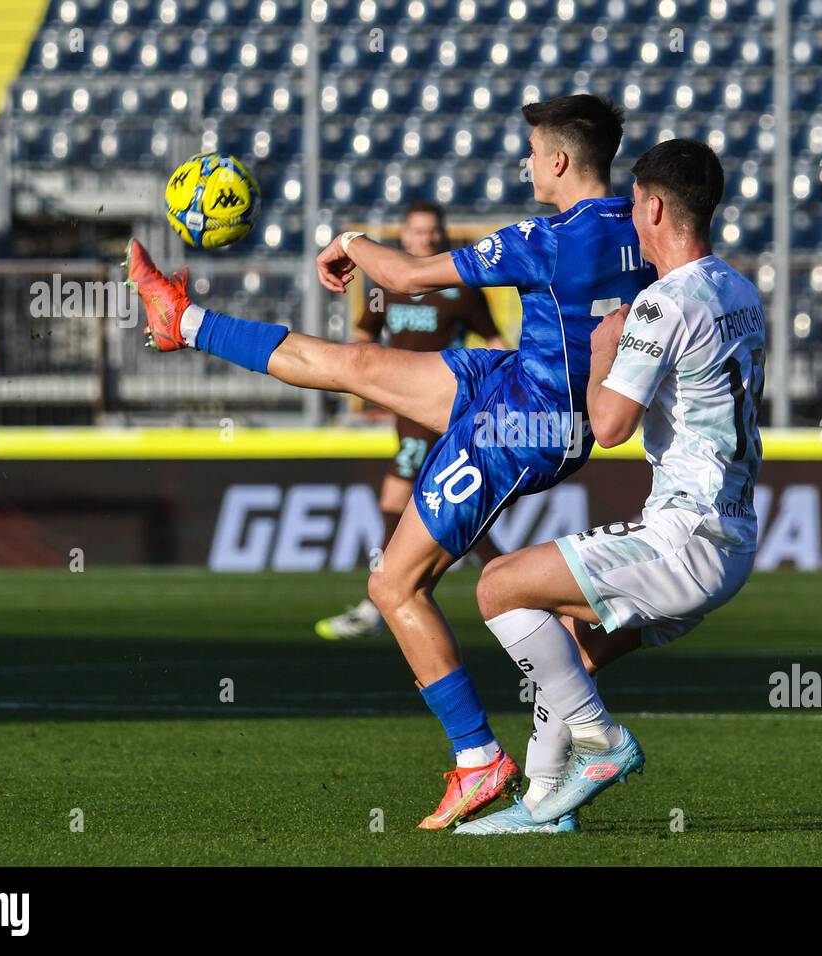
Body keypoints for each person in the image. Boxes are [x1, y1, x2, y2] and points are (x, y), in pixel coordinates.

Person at [123, 93, 656, 828]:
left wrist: (350, 240)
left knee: (393, 586)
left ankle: (478, 757)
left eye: (533, 153)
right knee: (358, 365)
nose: (526, 163)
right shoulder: (640, 227)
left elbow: (405, 278)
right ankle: (182, 320)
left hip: (518, 425)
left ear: (560, 161)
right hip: (524, 386)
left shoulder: (548, 237)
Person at [455, 139, 764, 834]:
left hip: (686, 536)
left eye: (633, 205)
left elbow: (611, 425)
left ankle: (603, 744)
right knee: (572, 647)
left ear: (651, 207)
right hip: (732, 531)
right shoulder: (739, 290)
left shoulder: (662, 304)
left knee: (498, 586)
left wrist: (602, 352)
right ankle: (543, 804)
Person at [315, 200, 505, 641]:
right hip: (404, 409)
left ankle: (377, 604)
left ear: (443, 235)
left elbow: (495, 341)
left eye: (434, 231)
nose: (427, 238)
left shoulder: (461, 288)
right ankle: (514, 583)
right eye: (419, 232)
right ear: (404, 236)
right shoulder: (385, 287)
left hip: (444, 406)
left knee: (397, 494)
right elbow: (362, 337)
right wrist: (369, 383)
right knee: (455, 507)